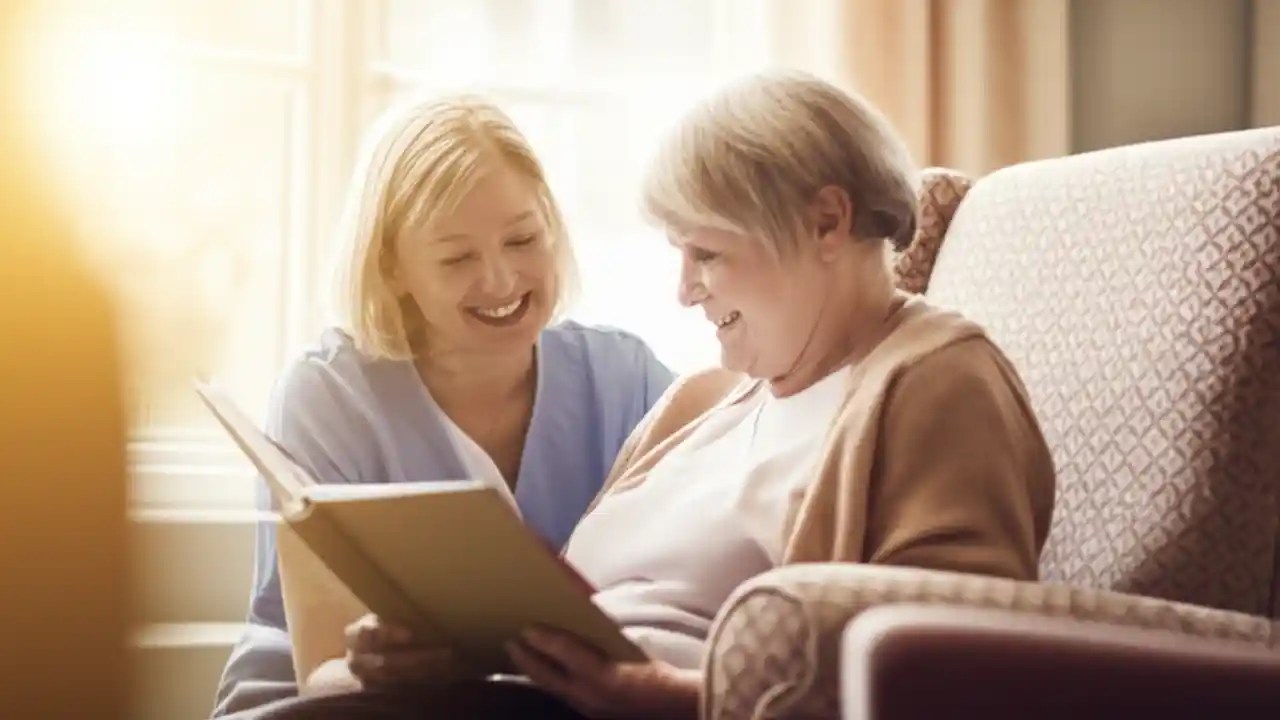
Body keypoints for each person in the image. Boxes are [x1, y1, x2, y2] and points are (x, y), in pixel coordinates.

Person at [249, 70, 1056, 720]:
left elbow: (948, 669)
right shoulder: (703, 402)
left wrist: (674, 698)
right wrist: (460, 651)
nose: (684, 291)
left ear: (826, 223)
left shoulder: (936, 378)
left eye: (705, 253)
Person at [212, 95, 674, 717]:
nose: (502, 280)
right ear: (392, 267)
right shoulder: (328, 400)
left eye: (523, 239)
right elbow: (318, 667)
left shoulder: (628, 380)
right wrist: (370, 666)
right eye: (458, 258)